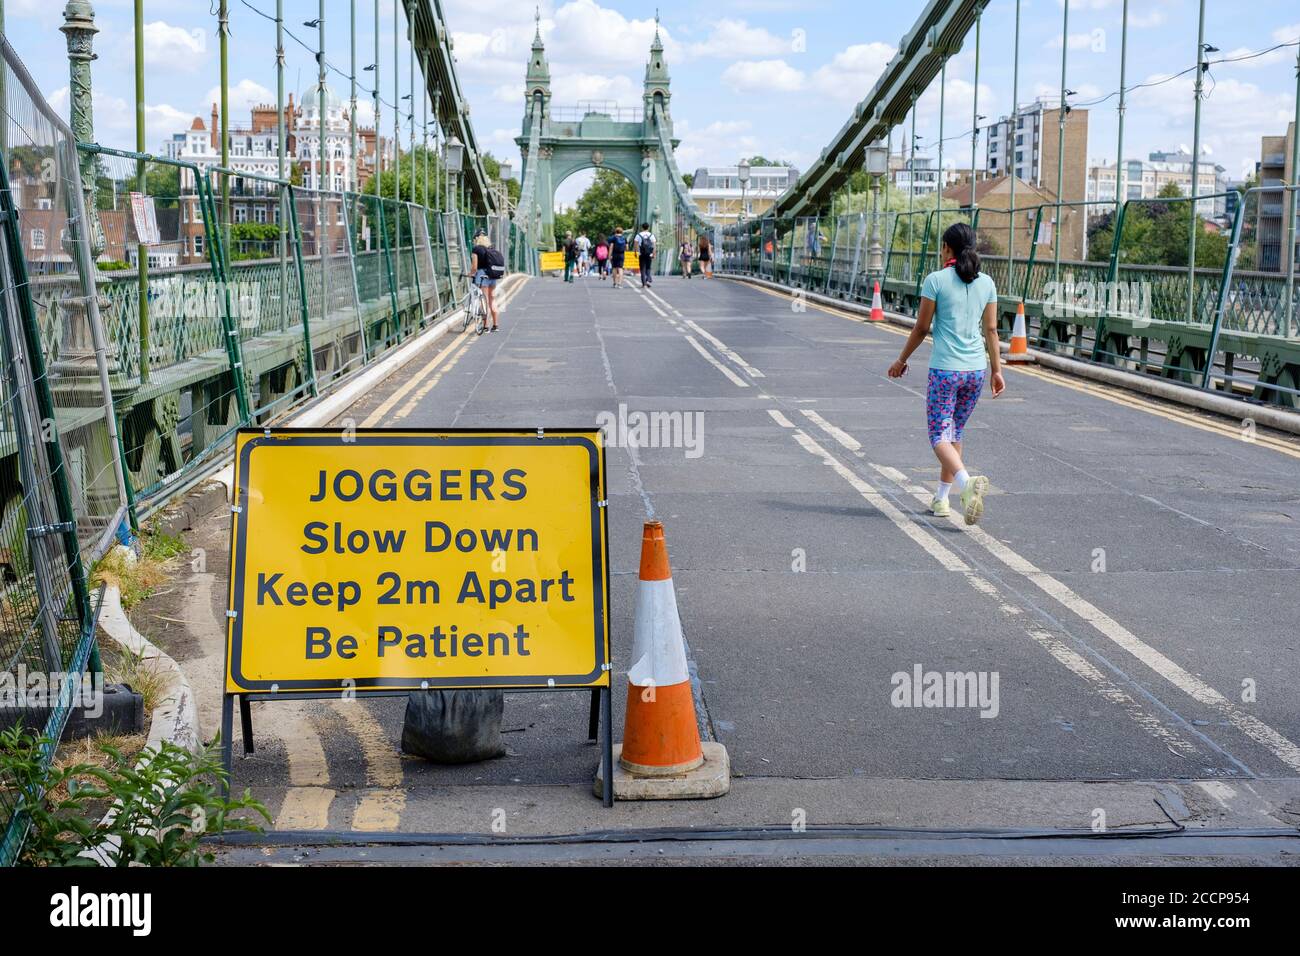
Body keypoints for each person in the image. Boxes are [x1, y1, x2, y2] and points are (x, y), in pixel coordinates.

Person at [887, 222, 1005, 525]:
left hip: (946, 370)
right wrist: (997, 371)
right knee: (955, 432)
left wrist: (901, 360)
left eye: (941, 247)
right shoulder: (987, 283)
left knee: (939, 434)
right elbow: (991, 330)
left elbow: (922, 327)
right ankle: (941, 499)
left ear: (946, 248)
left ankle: (965, 484)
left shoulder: (935, 280)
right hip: (976, 371)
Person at [467, 228, 505, 332]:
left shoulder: (476, 249)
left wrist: (470, 274)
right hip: (492, 275)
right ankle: (496, 325)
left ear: (476, 239)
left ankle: (486, 326)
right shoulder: (490, 248)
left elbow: (474, 267)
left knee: (484, 300)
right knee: (492, 299)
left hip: (482, 276)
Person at [634, 222, 656, 287]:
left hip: (641, 253)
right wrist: (654, 253)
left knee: (642, 268)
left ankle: (644, 283)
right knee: (648, 267)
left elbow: (635, 245)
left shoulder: (638, 235)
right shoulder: (651, 235)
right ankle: (648, 277)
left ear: (642, 227)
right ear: (648, 227)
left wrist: (635, 252)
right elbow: (654, 245)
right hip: (649, 254)